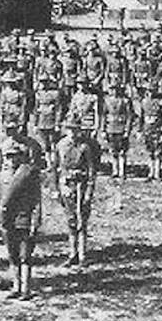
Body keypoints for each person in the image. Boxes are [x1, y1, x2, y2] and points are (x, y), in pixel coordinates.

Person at [55, 114, 99, 267]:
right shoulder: (60, 145)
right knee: (70, 220)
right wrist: (57, 189)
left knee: (82, 221)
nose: (72, 133)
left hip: (81, 185)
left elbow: (92, 171)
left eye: (75, 129)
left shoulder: (85, 147)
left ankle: (82, 255)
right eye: (69, 129)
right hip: (66, 186)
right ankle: (72, 253)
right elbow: (55, 169)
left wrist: (89, 192)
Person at [0, 137, 41, 295]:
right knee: (12, 255)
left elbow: (36, 200)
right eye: (8, 156)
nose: (11, 159)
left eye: (15, 155)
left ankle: (26, 289)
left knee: (25, 256)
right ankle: (16, 286)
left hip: (24, 219)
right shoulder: (2, 176)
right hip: (8, 220)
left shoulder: (29, 174)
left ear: (22, 156)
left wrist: (35, 221)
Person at [102, 80, 135, 180]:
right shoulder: (106, 101)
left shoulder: (125, 101)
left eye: (116, 89)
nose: (114, 91)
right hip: (111, 128)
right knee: (113, 151)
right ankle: (114, 171)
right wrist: (103, 129)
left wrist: (127, 130)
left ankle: (122, 171)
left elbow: (129, 116)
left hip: (121, 128)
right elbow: (103, 115)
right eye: (112, 89)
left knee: (122, 151)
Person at [139, 84, 162, 181]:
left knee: (158, 152)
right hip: (147, 129)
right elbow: (141, 117)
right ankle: (150, 172)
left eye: (153, 91)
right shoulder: (144, 102)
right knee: (149, 152)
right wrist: (140, 130)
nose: (151, 93)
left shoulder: (160, 102)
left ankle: (157, 173)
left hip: (157, 128)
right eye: (149, 91)